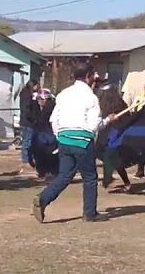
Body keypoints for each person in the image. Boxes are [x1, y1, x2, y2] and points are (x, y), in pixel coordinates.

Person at [32, 63, 115, 223]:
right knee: (90, 177)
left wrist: (59, 137)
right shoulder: (91, 97)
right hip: (83, 140)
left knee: (64, 175)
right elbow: (93, 126)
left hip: (64, 138)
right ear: (88, 76)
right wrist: (108, 120)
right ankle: (90, 214)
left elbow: (53, 119)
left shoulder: (63, 94)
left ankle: (42, 199)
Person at [18, 78, 40, 175]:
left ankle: (29, 160)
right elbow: (26, 110)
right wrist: (33, 119)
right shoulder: (26, 95)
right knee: (27, 142)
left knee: (30, 142)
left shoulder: (30, 95)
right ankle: (25, 161)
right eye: (36, 85)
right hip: (27, 122)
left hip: (30, 122)